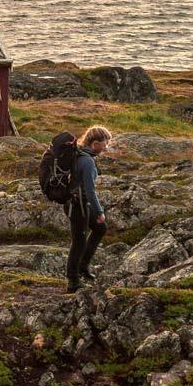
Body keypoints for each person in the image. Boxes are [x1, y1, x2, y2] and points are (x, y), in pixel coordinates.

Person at [67, 125, 111, 292]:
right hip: (78, 206)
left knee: (100, 229)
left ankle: (83, 267)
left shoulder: (80, 154)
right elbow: (90, 190)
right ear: (95, 143)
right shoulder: (87, 161)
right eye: (105, 143)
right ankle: (73, 281)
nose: (107, 147)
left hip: (75, 203)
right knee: (78, 242)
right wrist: (100, 212)